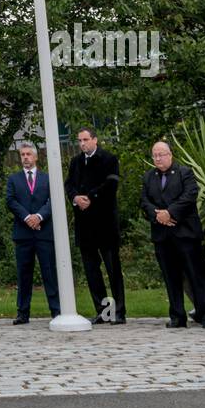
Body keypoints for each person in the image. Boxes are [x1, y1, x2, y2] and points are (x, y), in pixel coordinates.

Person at [140, 140, 205, 330]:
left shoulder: (185, 173)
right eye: (155, 155)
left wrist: (170, 213)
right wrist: (158, 216)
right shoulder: (149, 177)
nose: (157, 158)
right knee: (170, 277)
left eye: (161, 154)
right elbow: (144, 201)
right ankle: (177, 316)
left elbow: (190, 196)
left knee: (195, 275)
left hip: (185, 234)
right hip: (162, 235)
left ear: (170, 155)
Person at [65, 127, 126, 324]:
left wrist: (91, 197)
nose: (82, 143)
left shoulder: (108, 159)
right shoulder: (75, 162)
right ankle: (103, 310)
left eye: (85, 139)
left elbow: (111, 184)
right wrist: (75, 198)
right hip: (85, 226)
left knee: (112, 269)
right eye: (79, 140)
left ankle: (119, 311)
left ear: (95, 140)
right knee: (92, 271)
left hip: (104, 223)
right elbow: (69, 184)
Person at [5, 142, 61, 324]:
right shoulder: (14, 179)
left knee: (49, 273)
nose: (26, 157)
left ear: (36, 157)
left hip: (44, 232)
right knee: (24, 274)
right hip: (23, 233)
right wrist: (27, 218)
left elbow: (53, 200)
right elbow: (11, 201)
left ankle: (56, 310)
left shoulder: (47, 178)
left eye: (29, 154)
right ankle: (23, 312)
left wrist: (38, 216)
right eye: (23, 154)